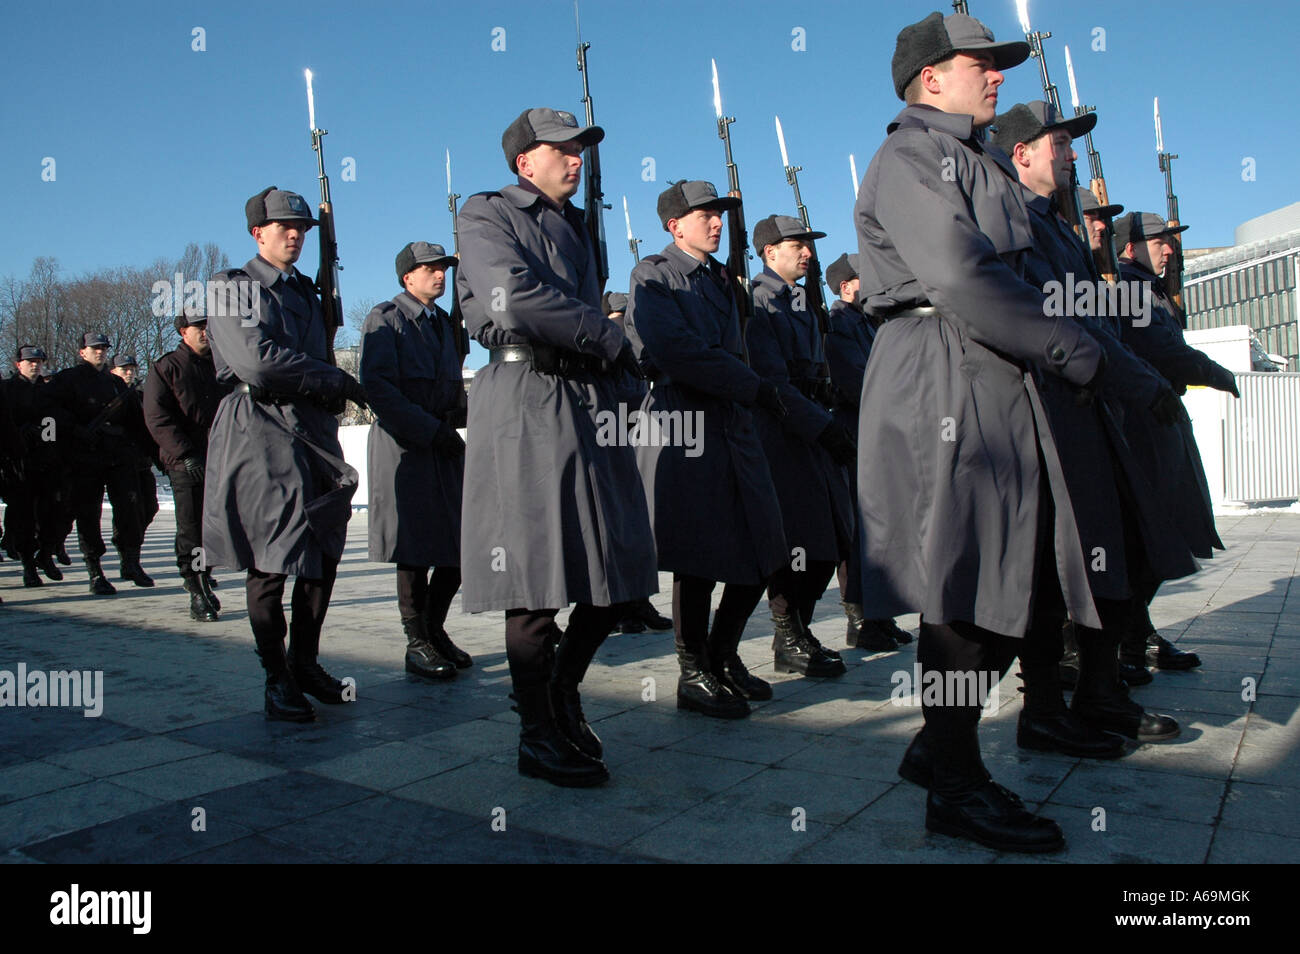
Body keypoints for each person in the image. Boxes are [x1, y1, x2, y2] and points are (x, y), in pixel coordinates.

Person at [853, 10, 1111, 852]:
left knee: (1020, 577)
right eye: (980, 64)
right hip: (942, 364)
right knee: (964, 586)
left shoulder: (977, 160)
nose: (997, 75)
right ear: (932, 78)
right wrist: (1069, 346)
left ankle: (943, 745)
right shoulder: (911, 155)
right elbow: (962, 273)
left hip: (994, 365)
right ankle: (956, 784)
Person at [455, 107, 657, 786]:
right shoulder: (487, 214)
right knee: (535, 582)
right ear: (524, 161)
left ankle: (561, 690)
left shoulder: (577, 228)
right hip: (526, 396)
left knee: (615, 572)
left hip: (585, 401)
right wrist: (605, 335)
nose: (576, 158)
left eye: (581, 149)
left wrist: (620, 370)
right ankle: (536, 734)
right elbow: (512, 300)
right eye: (562, 149)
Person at [992, 100, 1188, 747]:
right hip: (1052, 418)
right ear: (1021, 153)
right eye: (1060, 144)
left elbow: (1098, 325)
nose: (1071, 154)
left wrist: (1146, 384)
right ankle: (1044, 708)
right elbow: (1057, 327)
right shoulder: (1015, 221)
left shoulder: (1059, 229)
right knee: (1055, 571)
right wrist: (1135, 381)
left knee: (1117, 551)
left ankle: (1101, 691)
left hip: (1092, 409)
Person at [626, 180, 790, 719]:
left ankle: (723, 656)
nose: (716, 222)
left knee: (763, 543)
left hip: (734, 421)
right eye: (704, 214)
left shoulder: (724, 278)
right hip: (685, 418)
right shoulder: (653, 273)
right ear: (675, 224)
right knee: (696, 556)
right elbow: (676, 350)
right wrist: (749, 385)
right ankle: (694, 671)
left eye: (719, 213)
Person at [203, 186, 367, 722]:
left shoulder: (308, 295)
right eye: (284, 227)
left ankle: (305, 661)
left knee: (322, 551)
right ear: (258, 232)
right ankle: (276, 677)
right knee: (271, 560)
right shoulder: (232, 286)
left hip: (313, 430)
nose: (295, 236)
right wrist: (334, 377)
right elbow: (257, 361)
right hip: (261, 429)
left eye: (302, 229)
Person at [1114, 211, 1236, 671]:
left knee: (1160, 535)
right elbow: (1159, 349)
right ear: (1131, 248)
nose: (1170, 248)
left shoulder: (1148, 289)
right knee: (1153, 535)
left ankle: (1135, 635)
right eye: (1159, 240)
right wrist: (1211, 371)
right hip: (1146, 419)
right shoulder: (1130, 287)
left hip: (1159, 415)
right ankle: (1127, 642)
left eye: (1171, 240)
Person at [360, 242, 471, 682]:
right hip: (405, 445)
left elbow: (453, 389)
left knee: (459, 546)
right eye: (429, 269)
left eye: (443, 268)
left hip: (443, 444)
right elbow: (379, 388)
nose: (439, 275)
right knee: (414, 547)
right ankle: (416, 642)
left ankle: (434, 629)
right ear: (407, 276)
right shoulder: (386, 319)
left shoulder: (445, 323)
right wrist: (430, 431)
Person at [747, 214, 852, 679]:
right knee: (799, 543)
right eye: (797, 245)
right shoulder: (758, 302)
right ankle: (789, 637)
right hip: (783, 433)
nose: (807, 252)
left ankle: (796, 633)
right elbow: (772, 381)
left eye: (808, 245)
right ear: (770, 252)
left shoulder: (801, 301)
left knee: (830, 541)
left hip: (811, 428)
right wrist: (821, 427)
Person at [823, 252, 911, 651]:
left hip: (878, 429)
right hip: (856, 430)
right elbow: (859, 382)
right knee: (861, 531)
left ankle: (879, 613)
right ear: (847, 287)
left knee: (880, 528)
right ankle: (861, 618)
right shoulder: (841, 323)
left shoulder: (867, 321)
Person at [44, 332, 149, 595]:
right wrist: (74, 430)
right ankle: (95, 571)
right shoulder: (67, 380)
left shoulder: (117, 384)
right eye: (94, 348)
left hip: (118, 455)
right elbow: (48, 409)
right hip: (85, 456)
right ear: (82, 352)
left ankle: (131, 562)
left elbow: (136, 421)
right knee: (88, 514)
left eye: (103, 348)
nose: (99, 352)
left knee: (131, 509)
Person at [143, 307, 230, 621]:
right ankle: (195, 587)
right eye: (198, 328)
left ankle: (205, 575)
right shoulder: (168, 367)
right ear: (183, 332)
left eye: (209, 326)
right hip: (186, 463)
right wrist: (183, 453)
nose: (206, 332)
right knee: (191, 529)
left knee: (214, 528)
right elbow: (156, 417)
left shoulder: (220, 366)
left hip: (219, 459)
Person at [602, 289, 674, 638]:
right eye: (614, 319)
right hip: (614, 435)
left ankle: (637, 601)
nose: (618, 326)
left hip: (635, 433)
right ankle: (620, 607)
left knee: (637, 524)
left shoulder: (627, 344)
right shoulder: (606, 345)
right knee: (620, 526)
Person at [2, 346, 63, 586]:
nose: (34, 365)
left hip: (46, 460)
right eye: (29, 361)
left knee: (53, 514)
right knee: (24, 518)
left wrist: (47, 439)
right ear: (19, 364)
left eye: (38, 361)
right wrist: (19, 436)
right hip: (18, 463)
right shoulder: (7, 390)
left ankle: (45, 554)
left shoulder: (47, 392)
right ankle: (29, 564)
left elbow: (54, 422)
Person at [109, 354, 160, 587]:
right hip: (119, 461)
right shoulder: (110, 395)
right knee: (129, 511)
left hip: (141, 460)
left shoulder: (140, 396)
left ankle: (127, 546)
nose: (129, 373)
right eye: (123, 369)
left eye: (131, 368)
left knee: (149, 508)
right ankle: (130, 560)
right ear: (113, 371)